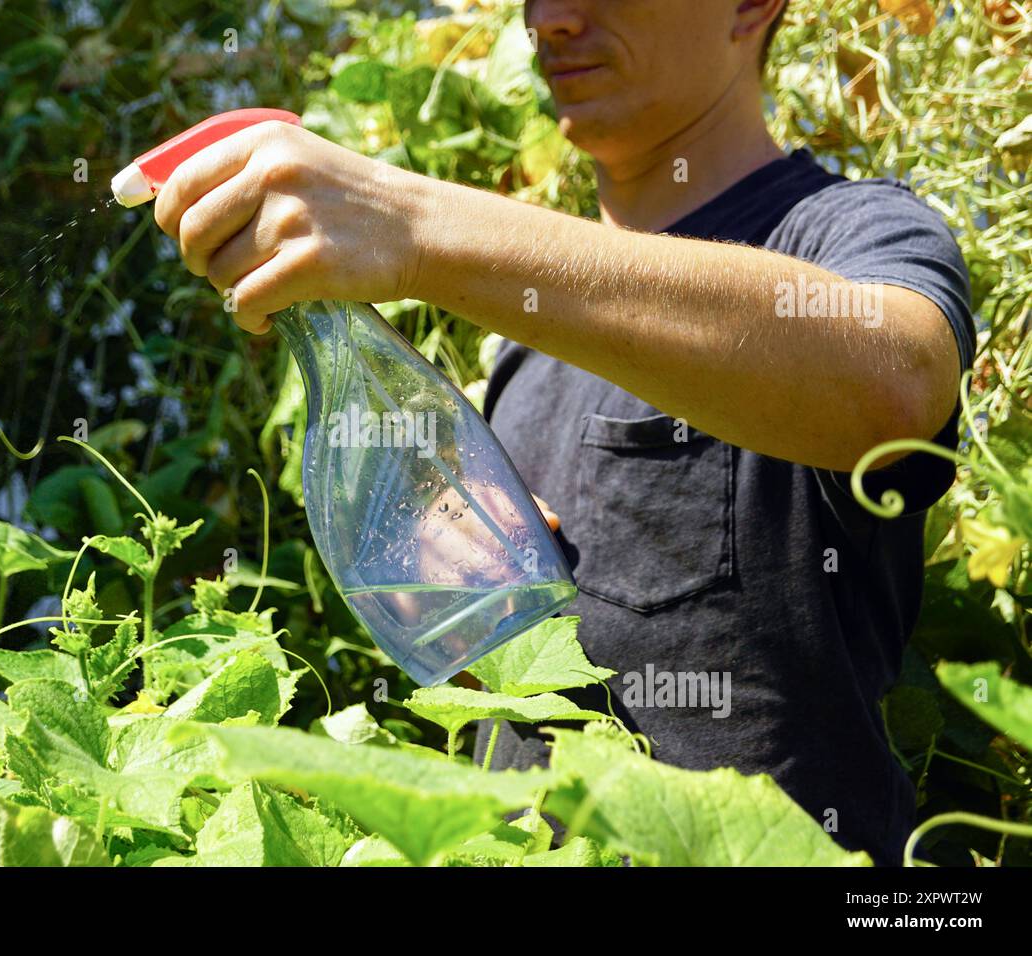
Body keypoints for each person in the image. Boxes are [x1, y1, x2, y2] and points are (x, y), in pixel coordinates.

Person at [152, 0, 975, 866]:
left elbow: (896, 383)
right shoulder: (517, 359)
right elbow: (526, 701)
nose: (546, 20)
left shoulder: (848, 232)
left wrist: (414, 224)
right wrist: (467, 612)